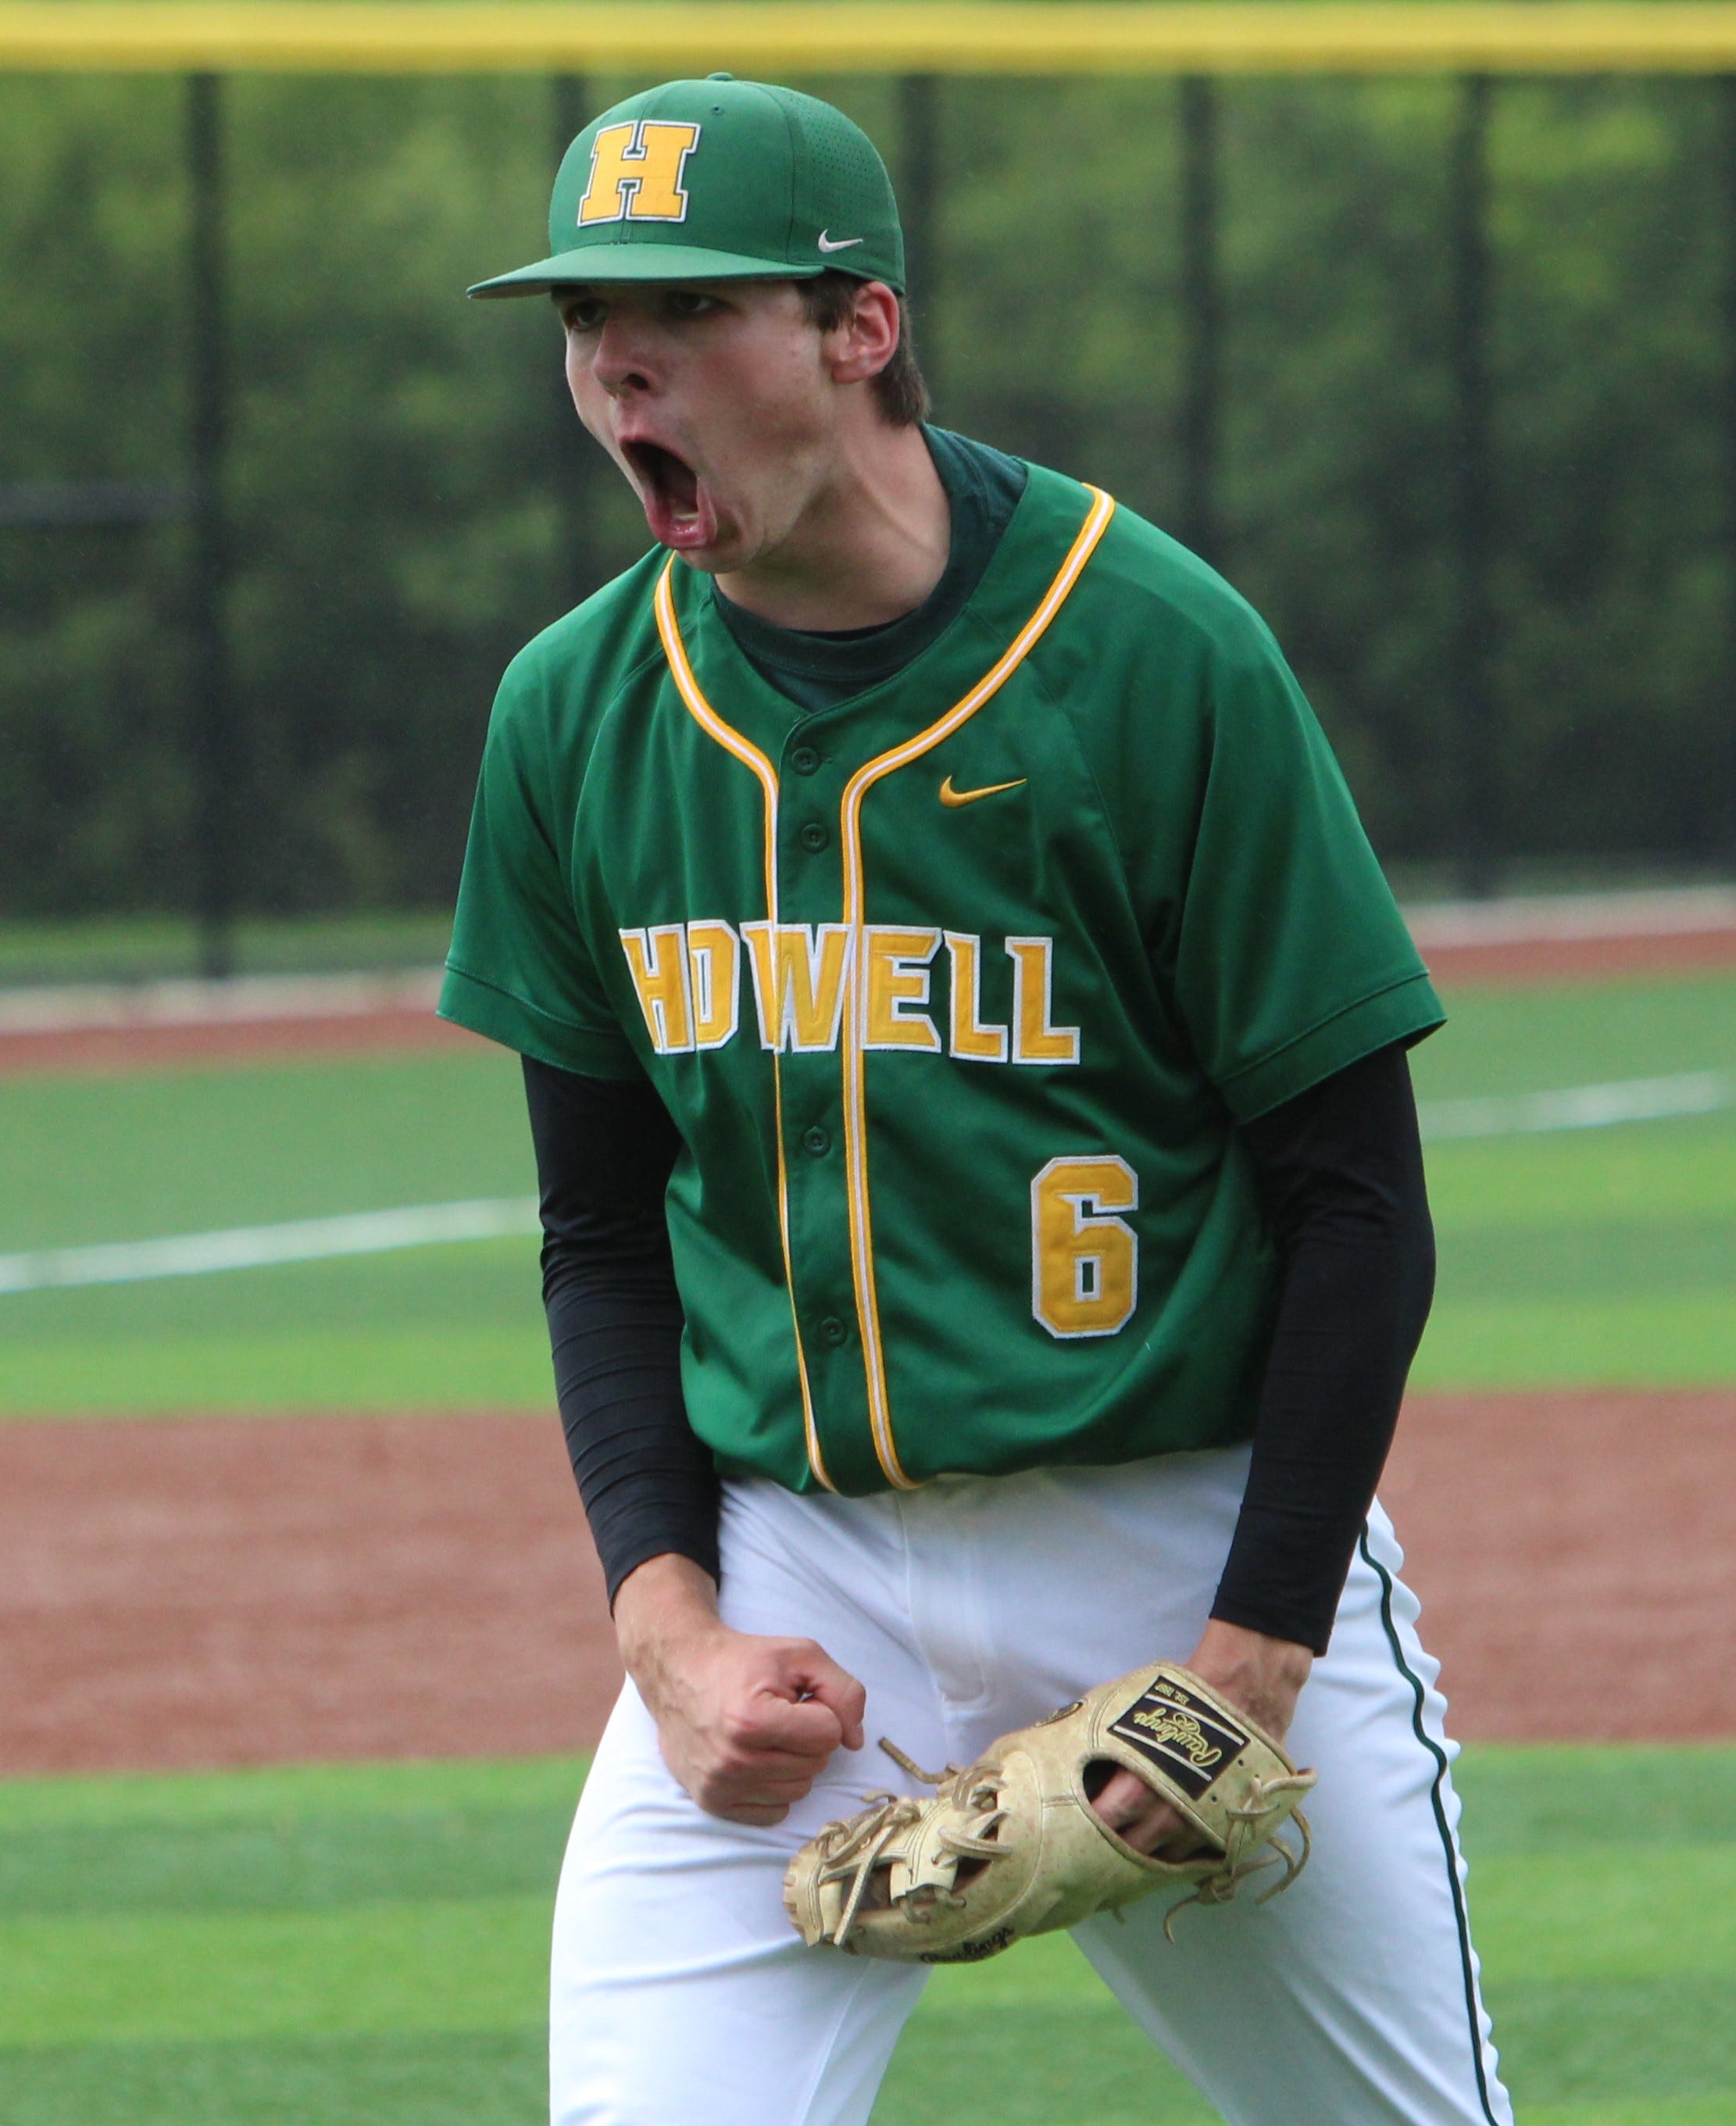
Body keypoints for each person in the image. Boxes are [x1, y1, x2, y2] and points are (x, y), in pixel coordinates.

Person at [441, 74, 1512, 2126]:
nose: (613, 365)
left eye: (682, 311)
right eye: (583, 323)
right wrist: (669, 1627)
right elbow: (599, 1229)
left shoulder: (1158, 654)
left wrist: (1253, 1662)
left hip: (1183, 1534)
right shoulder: (572, 716)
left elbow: (1354, 1196)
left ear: (860, 329)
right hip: (793, 1583)